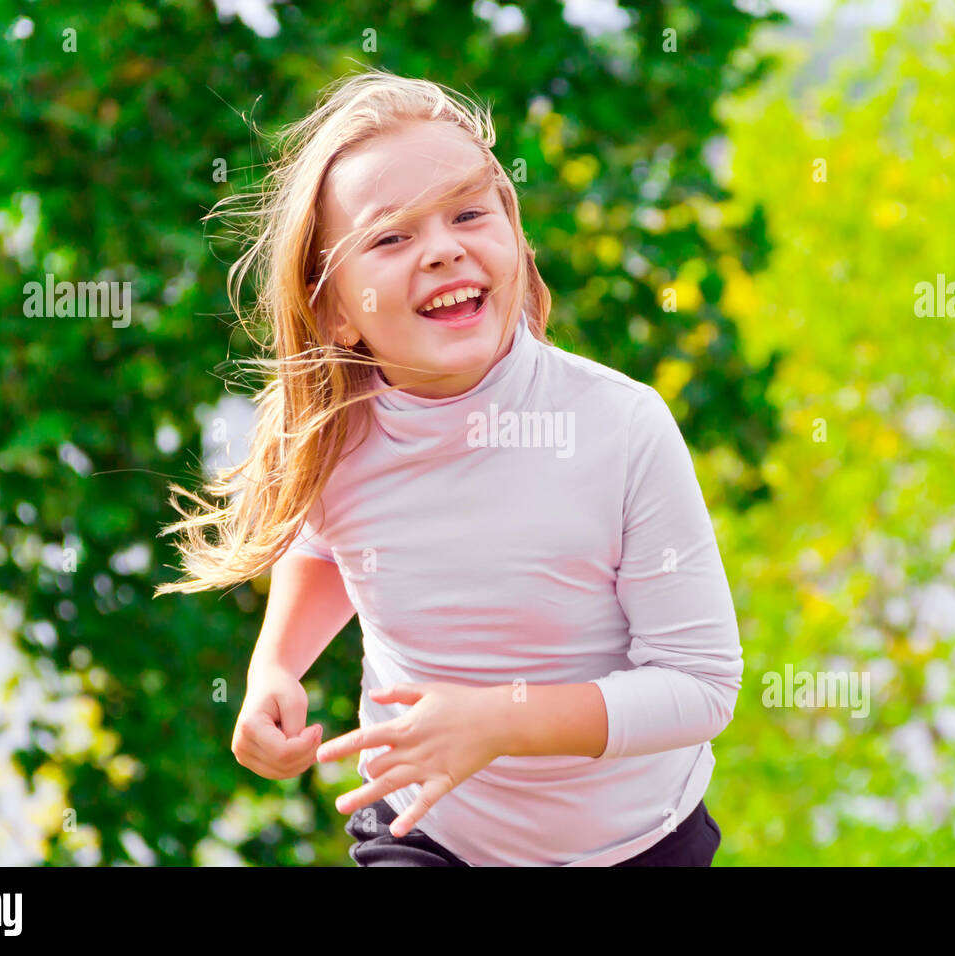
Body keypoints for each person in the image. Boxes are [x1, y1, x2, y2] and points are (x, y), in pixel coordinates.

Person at [157, 68, 743, 867]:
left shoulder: (621, 429)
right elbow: (332, 544)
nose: (442, 249)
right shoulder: (335, 435)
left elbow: (700, 686)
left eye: (469, 213)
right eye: (392, 237)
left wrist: (501, 718)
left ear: (514, 236)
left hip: (638, 843)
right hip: (429, 837)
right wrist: (274, 669)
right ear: (332, 306)